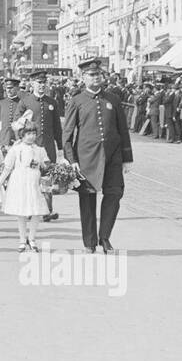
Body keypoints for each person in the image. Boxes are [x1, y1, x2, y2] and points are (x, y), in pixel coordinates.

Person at [61, 57, 132, 254]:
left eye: (99, 74)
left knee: (115, 194)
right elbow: (67, 134)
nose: (96, 78)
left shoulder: (113, 99)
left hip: (113, 157)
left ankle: (105, 237)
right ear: (83, 77)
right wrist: (72, 160)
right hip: (86, 158)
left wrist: (127, 158)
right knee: (88, 199)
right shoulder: (76, 101)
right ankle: (89, 242)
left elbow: (123, 130)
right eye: (91, 75)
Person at [16, 70, 63, 222]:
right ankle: (29, 209)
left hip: (48, 147)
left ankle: (47, 210)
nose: (42, 86)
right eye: (39, 83)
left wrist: (60, 147)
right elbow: (17, 124)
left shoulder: (52, 102)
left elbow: (57, 127)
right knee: (30, 179)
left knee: (47, 179)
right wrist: (21, 142)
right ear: (32, 84)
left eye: (44, 83)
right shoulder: (25, 101)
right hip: (31, 147)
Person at [0, 124, 50, 252]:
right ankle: (22, 239)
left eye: (33, 133)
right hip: (20, 181)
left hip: (34, 182)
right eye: (28, 134)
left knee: (36, 211)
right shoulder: (16, 149)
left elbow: (46, 165)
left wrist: (44, 166)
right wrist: (0, 182)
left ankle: (32, 238)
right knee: (21, 211)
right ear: (22, 135)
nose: (31, 137)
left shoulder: (40, 149)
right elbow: (8, 167)